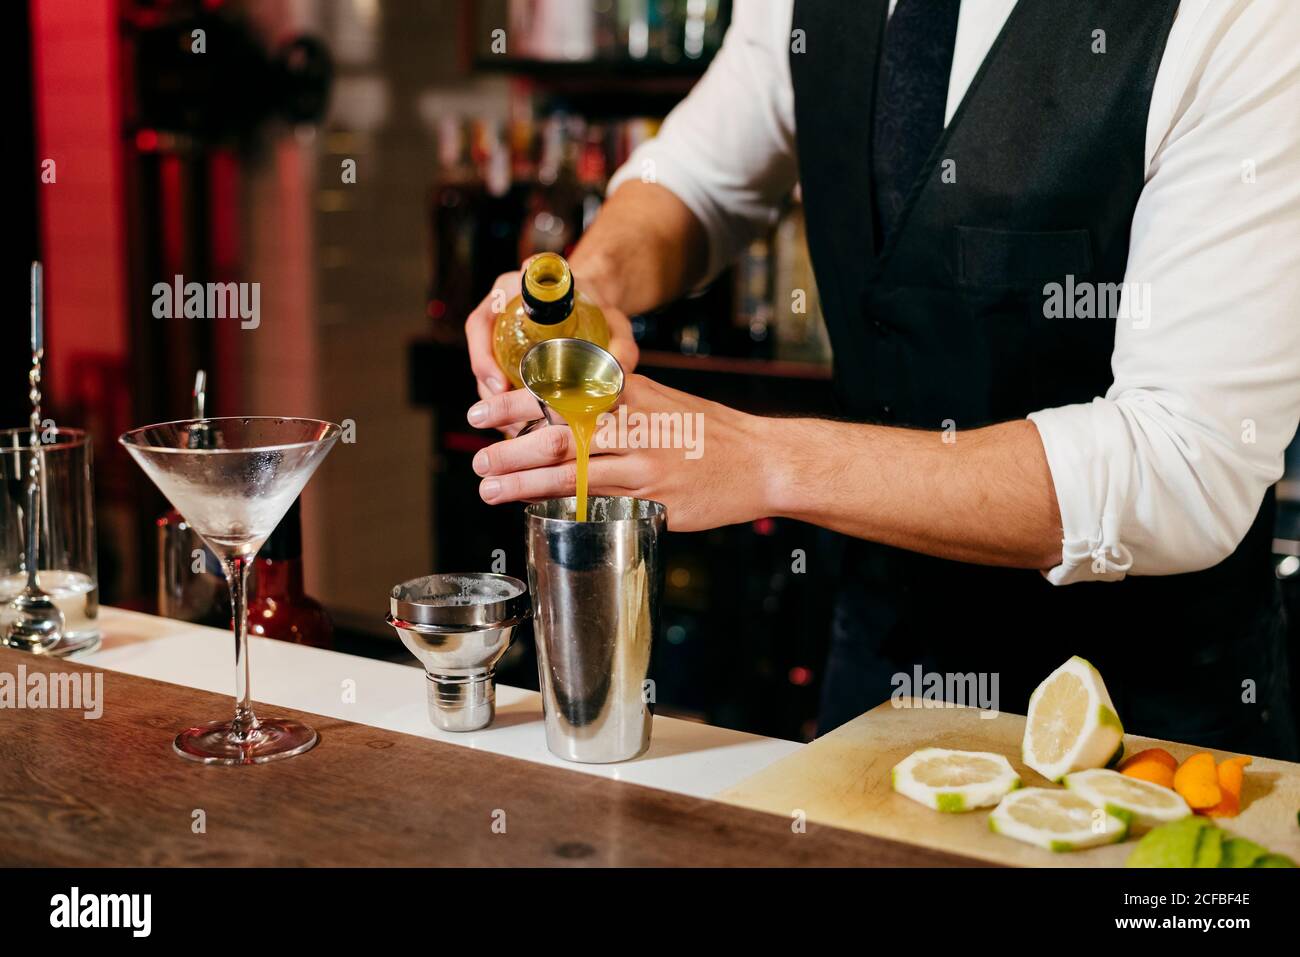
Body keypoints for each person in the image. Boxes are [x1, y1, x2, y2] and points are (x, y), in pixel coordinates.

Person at [461, 0, 1300, 758]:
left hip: (1145, 716)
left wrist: (762, 460)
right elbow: (696, 177)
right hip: (881, 679)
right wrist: (590, 284)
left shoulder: (1241, 18)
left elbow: (1186, 460)